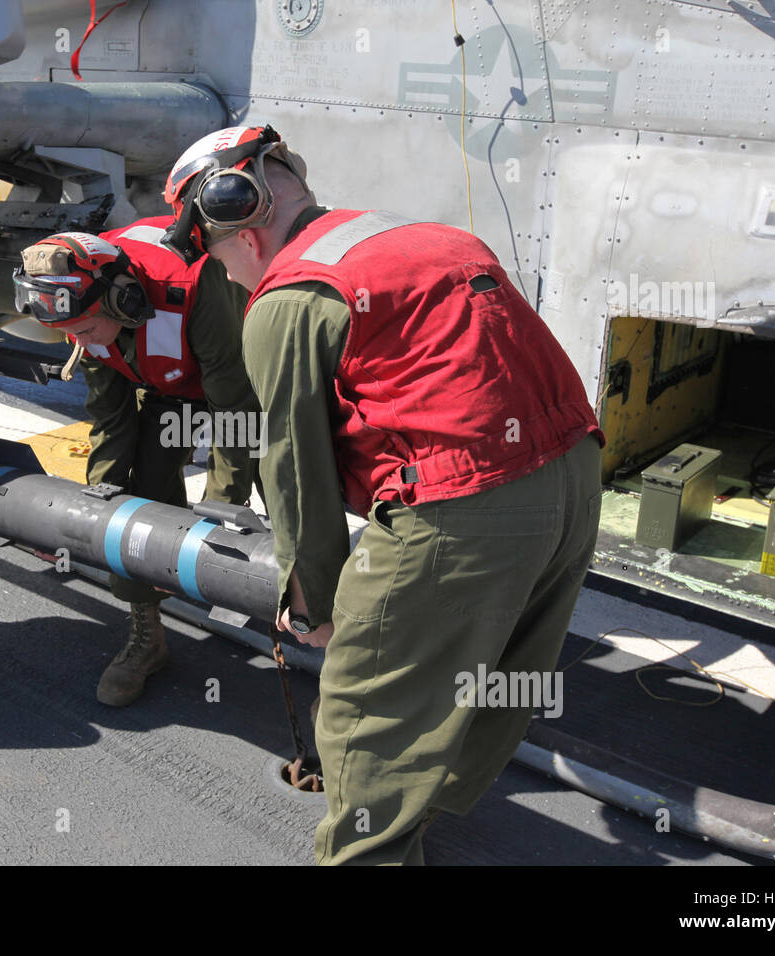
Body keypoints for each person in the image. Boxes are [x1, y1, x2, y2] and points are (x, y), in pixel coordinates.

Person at [162, 126, 605, 864]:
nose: (225, 276)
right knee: (491, 680)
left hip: (464, 506)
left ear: (232, 221)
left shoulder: (286, 301)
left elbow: (294, 472)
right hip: (572, 477)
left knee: (364, 709)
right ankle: (417, 818)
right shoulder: (425, 236)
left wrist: (319, 610)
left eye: (211, 256)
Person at [13, 218, 258, 706]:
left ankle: (317, 627)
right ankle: (147, 632)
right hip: (177, 390)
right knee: (139, 488)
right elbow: (112, 419)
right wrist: (102, 502)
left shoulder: (193, 285)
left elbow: (237, 413)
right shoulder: (84, 311)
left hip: (250, 385)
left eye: (83, 330)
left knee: (285, 486)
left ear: (122, 300)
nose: (79, 341)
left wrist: (220, 515)